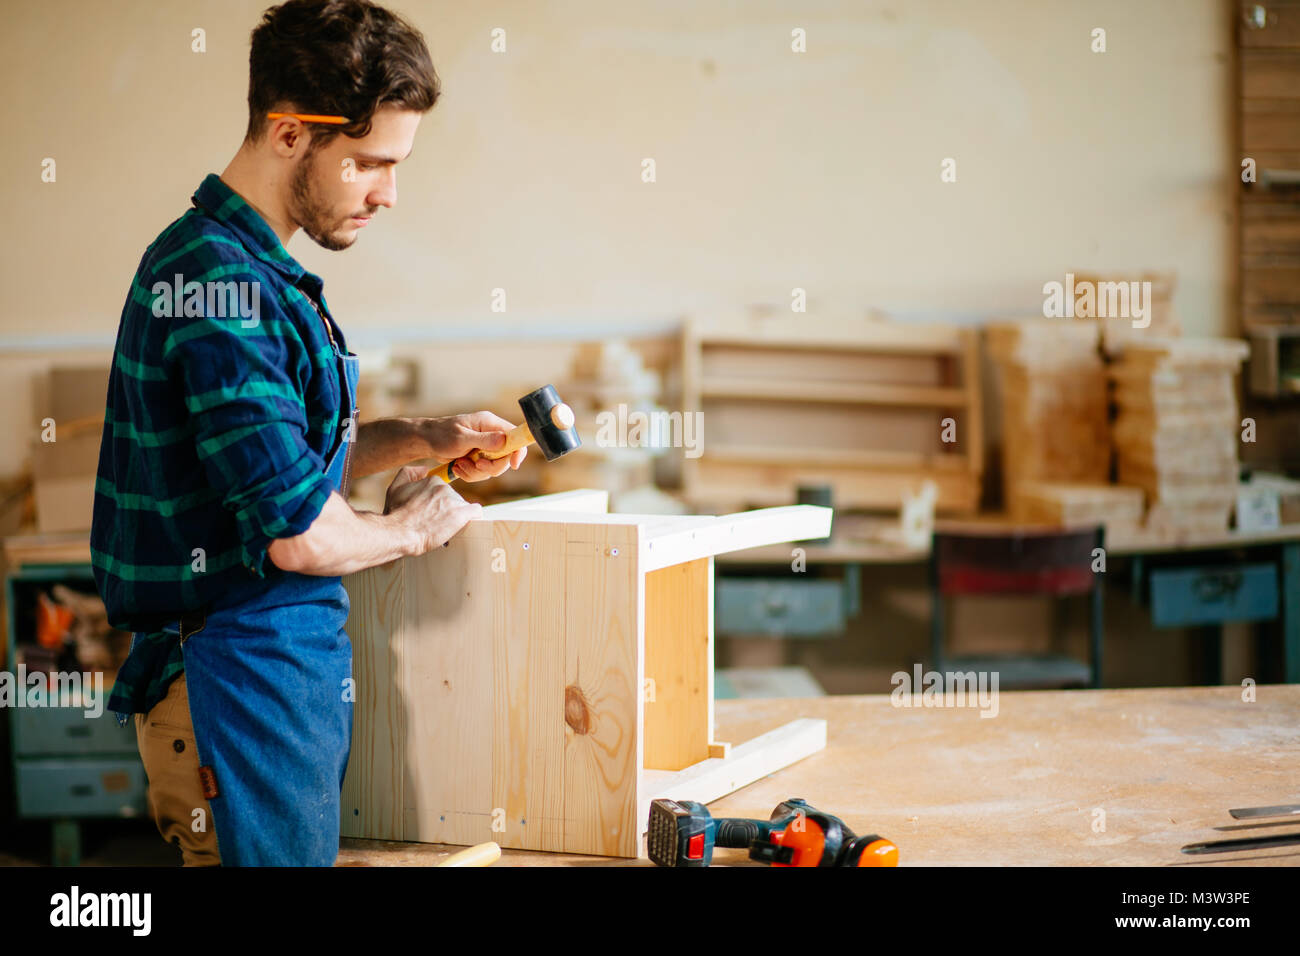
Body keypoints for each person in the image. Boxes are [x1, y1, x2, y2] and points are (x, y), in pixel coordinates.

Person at [91, 0, 521, 866]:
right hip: (235, 674)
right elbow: (294, 533)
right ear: (290, 134)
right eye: (369, 163)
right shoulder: (216, 283)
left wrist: (420, 438)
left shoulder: (258, 273)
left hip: (271, 664)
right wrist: (412, 528)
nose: (389, 193)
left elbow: (272, 468)